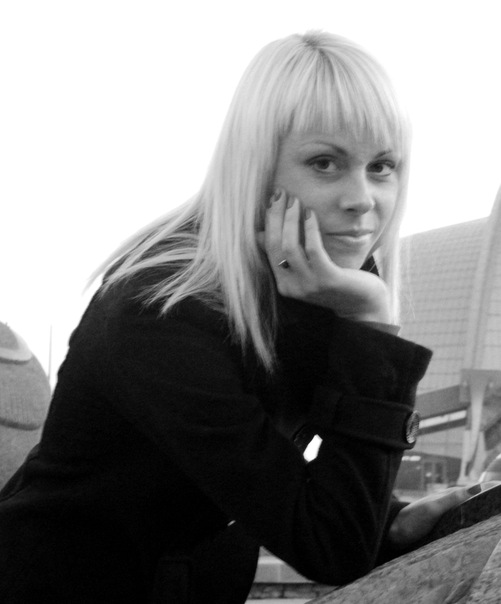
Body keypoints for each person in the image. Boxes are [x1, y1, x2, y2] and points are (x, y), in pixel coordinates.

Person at [0, 31, 478, 604]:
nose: (362, 199)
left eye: (382, 166)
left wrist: (387, 520)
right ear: (258, 169)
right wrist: (372, 323)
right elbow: (330, 547)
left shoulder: (307, 288)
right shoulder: (161, 309)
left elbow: (261, 475)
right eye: (325, 163)